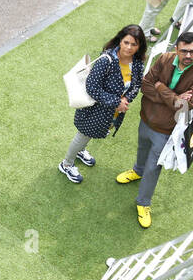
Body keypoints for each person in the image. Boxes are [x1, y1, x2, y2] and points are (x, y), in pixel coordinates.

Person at [116, 31, 193, 228]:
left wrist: (160, 88)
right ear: (176, 49)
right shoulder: (165, 58)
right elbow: (145, 85)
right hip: (146, 117)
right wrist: (174, 98)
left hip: (168, 129)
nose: (188, 56)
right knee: (142, 149)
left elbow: (186, 106)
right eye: (184, 51)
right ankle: (137, 171)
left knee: (154, 166)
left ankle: (144, 203)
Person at [59, 25, 148, 184]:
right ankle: (66, 164)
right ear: (120, 40)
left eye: (134, 44)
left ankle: (80, 152)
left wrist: (126, 100)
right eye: (126, 42)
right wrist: (116, 102)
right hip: (95, 110)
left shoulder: (138, 63)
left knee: (90, 134)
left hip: (113, 112)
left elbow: (136, 85)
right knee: (83, 135)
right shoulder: (106, 60)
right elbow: (92, 87)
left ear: (139, 46)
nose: (129, 47)